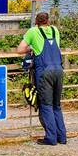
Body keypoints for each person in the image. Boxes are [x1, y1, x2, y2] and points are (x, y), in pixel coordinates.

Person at [16, 11, 67, 145]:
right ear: (48, 21)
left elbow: (20, 49)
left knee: (46, 105)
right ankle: (62, 137)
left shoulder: (33, 31)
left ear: (36, 22)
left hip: (44, 72)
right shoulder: (55, 30)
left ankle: (51, 138)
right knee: (57, 105)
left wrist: (30, 48)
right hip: (59, 71)